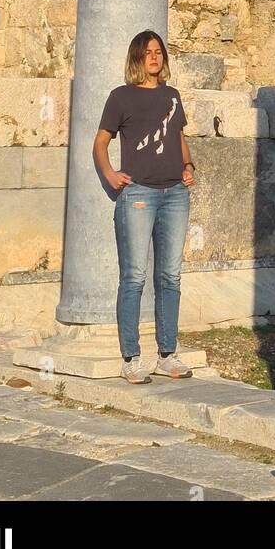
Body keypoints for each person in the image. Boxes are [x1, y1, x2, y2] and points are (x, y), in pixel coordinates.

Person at [93, 29, 195, 384]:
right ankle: (131, 358)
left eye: (159, 52)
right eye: (148, 52)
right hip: (138, 194)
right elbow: (100, 142)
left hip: (175, 195)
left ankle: (167, 354)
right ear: (137, 59)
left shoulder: (172, 96)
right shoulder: (120, 97)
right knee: (134, 277)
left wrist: (188, 167)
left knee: (170, 276)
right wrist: (110, 174)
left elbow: (179, 138)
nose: (155, 57)